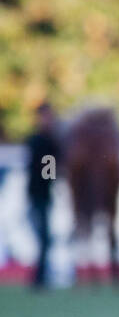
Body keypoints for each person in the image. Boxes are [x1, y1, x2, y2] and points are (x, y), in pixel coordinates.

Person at [25, 102, 61, 289]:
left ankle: (40, 277)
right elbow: (48, 171)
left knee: (45, 239)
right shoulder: (40, 141)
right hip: (38, 197)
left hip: (43, 197)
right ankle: (39, 278)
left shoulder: (48, 141)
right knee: (44, 238)